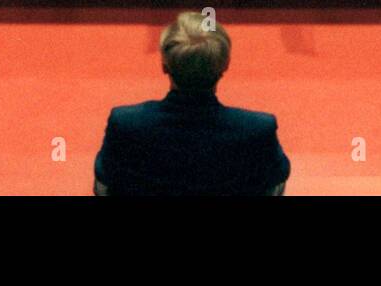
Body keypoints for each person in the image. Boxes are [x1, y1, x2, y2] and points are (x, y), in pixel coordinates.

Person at [94, 11, 291, 195]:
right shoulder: (258, 129)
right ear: (225, 65)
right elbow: (275, 183)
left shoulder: (125, 123)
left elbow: (105, 183)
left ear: (164, 65)